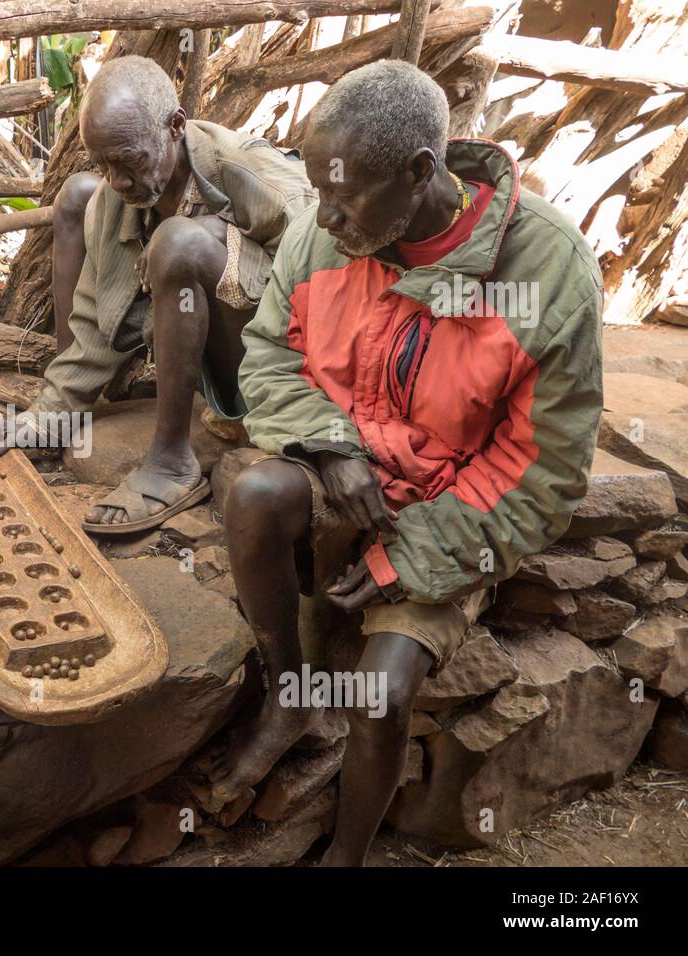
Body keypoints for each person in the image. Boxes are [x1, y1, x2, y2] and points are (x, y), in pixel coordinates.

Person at [214, 61, 603, 865]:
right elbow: (266, 357)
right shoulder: (330, 227)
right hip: (341, 477)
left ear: (421, 173)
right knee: (254, 491)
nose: (323, 217)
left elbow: (544, 471)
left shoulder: (544, 269)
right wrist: (328, 443)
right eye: (317, 192)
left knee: (382, 693)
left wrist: (410, 559)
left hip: (447, 512)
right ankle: (289, 697)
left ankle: (348, 857)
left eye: (345, 197)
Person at [0, 55, 314, 535]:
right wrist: (51, 412)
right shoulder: (120, 196)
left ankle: (173, 460)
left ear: (175, 125)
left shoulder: (254, 176)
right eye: (104, 164)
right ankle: (75, 412)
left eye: (130, 160)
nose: (117, 180)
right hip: (207, 362)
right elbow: (97, 312)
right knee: (88, 199)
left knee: (180, 240)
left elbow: (329, 292)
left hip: (276, 367)